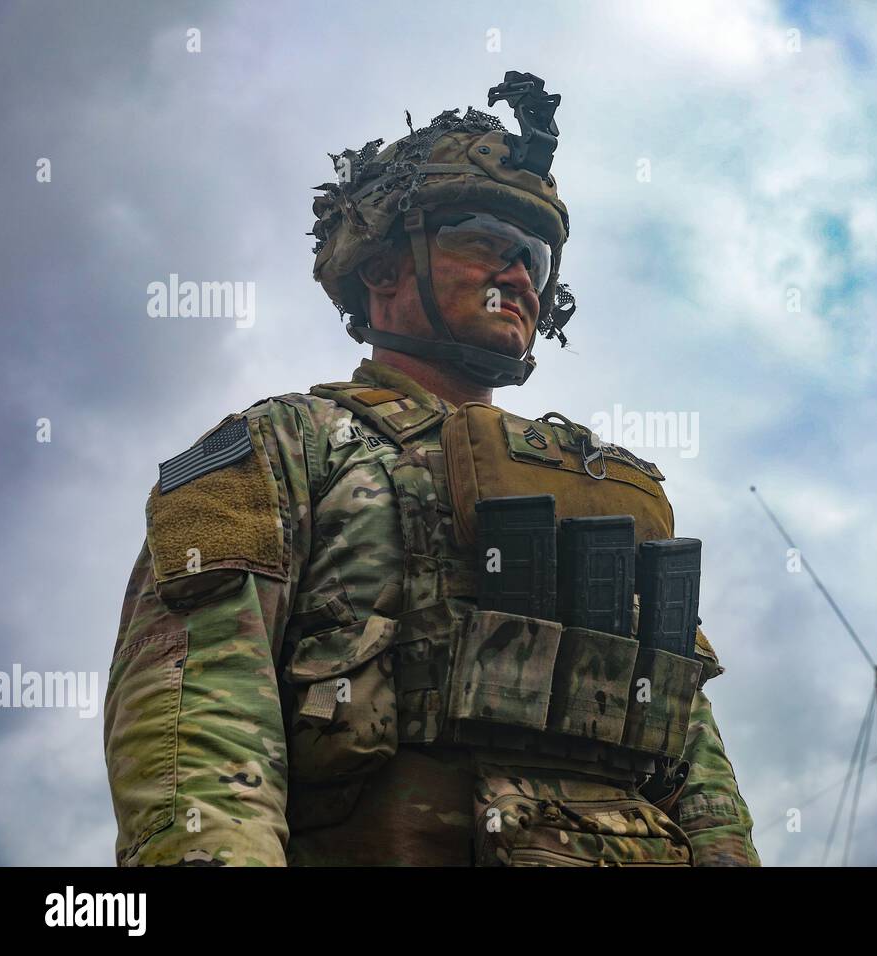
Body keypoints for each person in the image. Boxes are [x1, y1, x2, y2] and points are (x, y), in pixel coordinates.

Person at [104, 72, 759, 866]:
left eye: (536, 259)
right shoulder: (281, 449)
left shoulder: (600, 488)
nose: (521, 276)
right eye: (486, 240)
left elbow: (693, 757)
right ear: (382, 268)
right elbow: (195, 723)